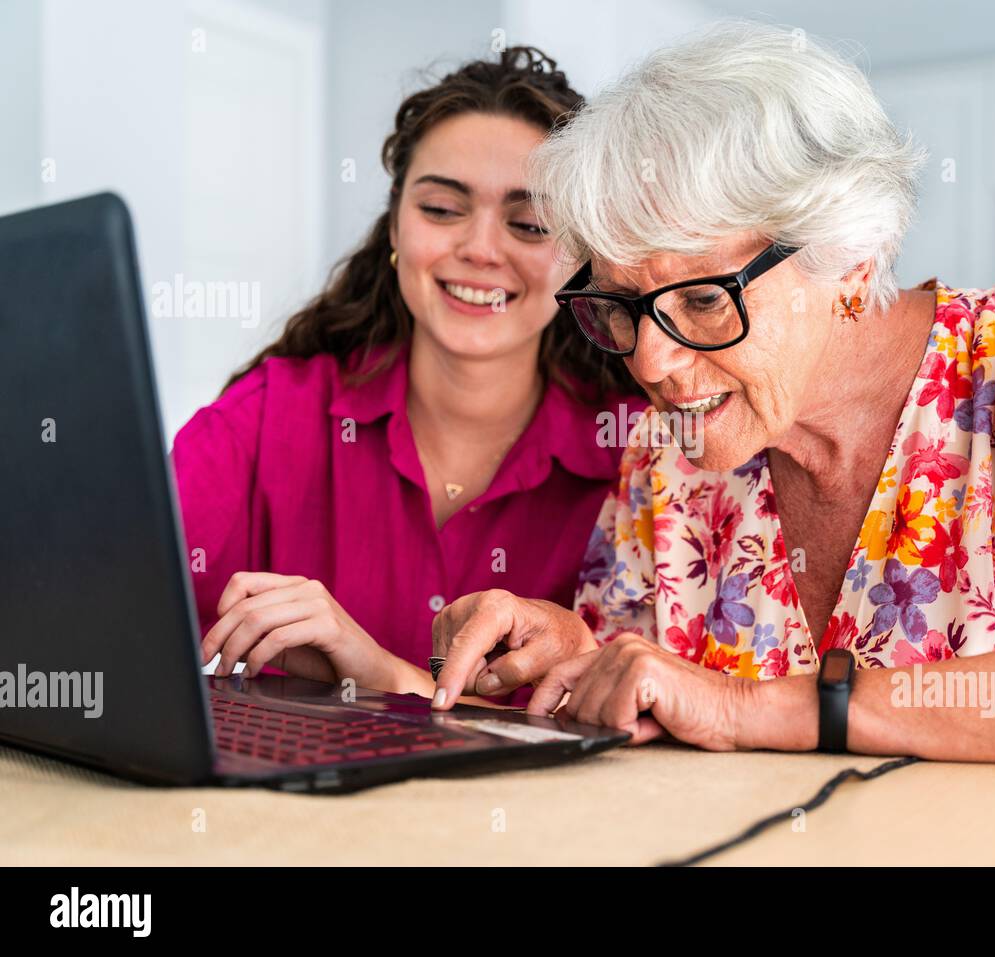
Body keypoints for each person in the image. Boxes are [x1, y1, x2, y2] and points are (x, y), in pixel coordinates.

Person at [429, 22, 995, 764]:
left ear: (851, 263)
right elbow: (648, 708)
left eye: (704, 300)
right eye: (622, 306)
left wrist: (771, 708)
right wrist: (574, 652)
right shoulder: (670, 449)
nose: (650, 361)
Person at [174, 47, 643, 699]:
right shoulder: (269, 413)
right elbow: (102, 586)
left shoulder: (640, 451)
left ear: (582, 258)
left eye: (530, 223)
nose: (479, 249)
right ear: (395, 224)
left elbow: (645, 720)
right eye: (442, 210)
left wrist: (382, 675)